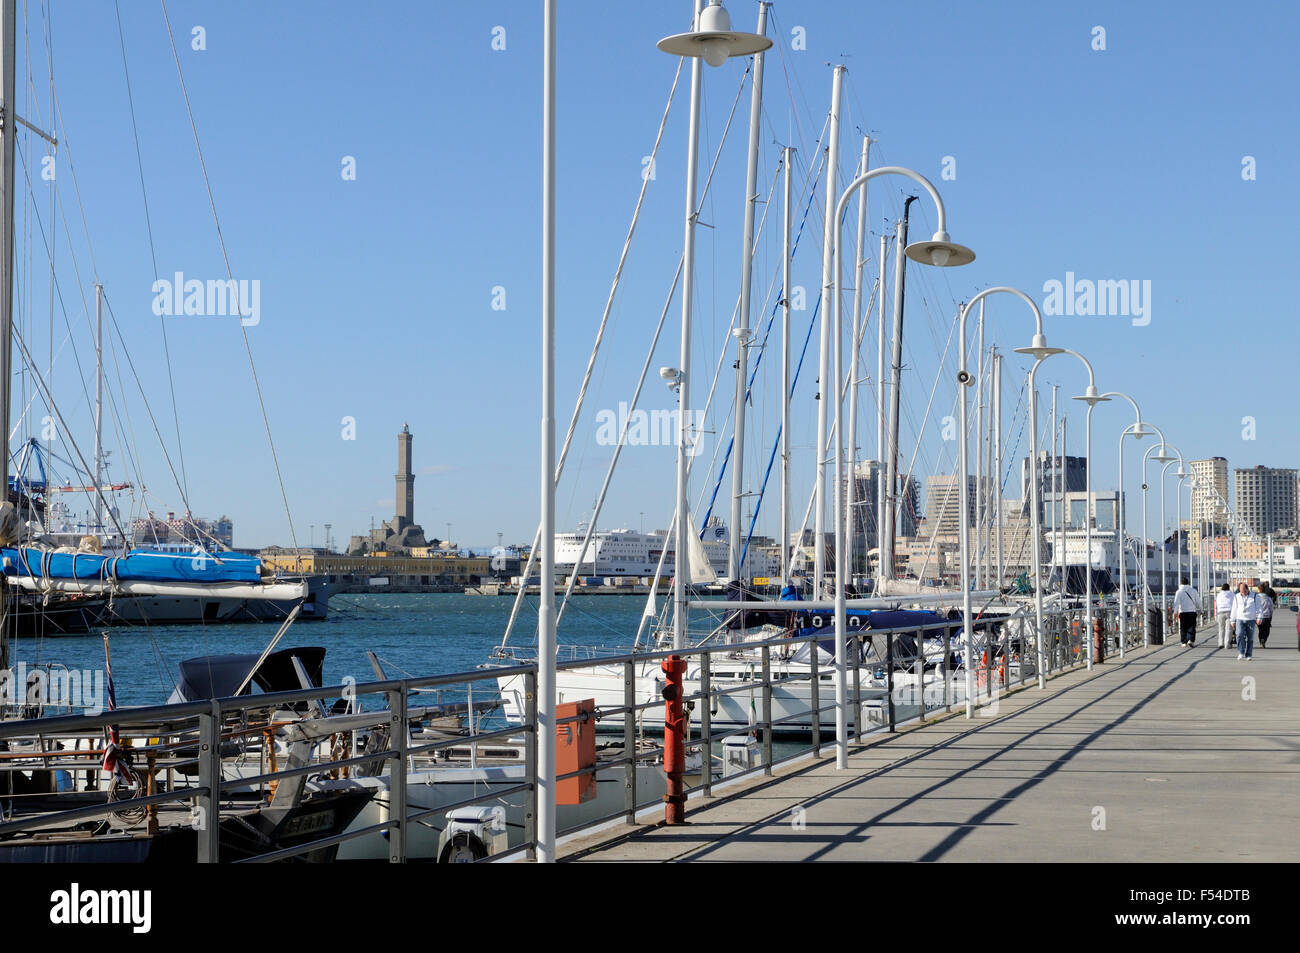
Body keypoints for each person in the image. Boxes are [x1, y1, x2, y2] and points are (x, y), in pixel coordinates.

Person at [1229, 581, 1265, 660]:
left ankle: (1249, 654)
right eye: (1241, 591)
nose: (1243, 593)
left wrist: (1259, 618)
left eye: (1244, 591)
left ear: (1247, 589)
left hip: (1251, 619)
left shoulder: (1254, 596)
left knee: (1250, 638)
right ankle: (1241, 652)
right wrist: (1232, 620)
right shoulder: (1236, 596)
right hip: (1240, 619)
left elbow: (1259, 608)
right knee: (1239, 635)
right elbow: (1234, 609)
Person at [1171, 577, 1201, 647]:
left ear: (1181, 583)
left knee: (1183, 627)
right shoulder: (1194, 591)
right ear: (1188, 583)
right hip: (1192, 612)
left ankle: (1184, 642)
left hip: (1183, 612)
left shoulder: (1178, 592)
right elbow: (1198, 602)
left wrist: (1175, 613)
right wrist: (1201, 609)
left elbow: (1176, 603)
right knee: (1192, 627)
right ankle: (1190, 640)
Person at [1214, 583, 1233, 648]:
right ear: (1228, 588)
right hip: (1229, 612)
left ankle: (1220, 643)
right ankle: (1227, 643)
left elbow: (1216, 604)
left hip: (1220, 612)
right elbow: (1234, 603)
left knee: (1221, 628)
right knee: (1229, 629)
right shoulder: (1231, 594)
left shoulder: (1219, 595)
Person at [1257, 583, 1275, 648]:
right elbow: (1271, 608)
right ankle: (1264, 640)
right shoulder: (1268, 598)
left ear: (1258, 590)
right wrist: (1270, 615)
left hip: (1258, 617)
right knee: (1266, 630)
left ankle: (1261, 640)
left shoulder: (1256, 598)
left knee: (1260, 630)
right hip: (1267, 616)